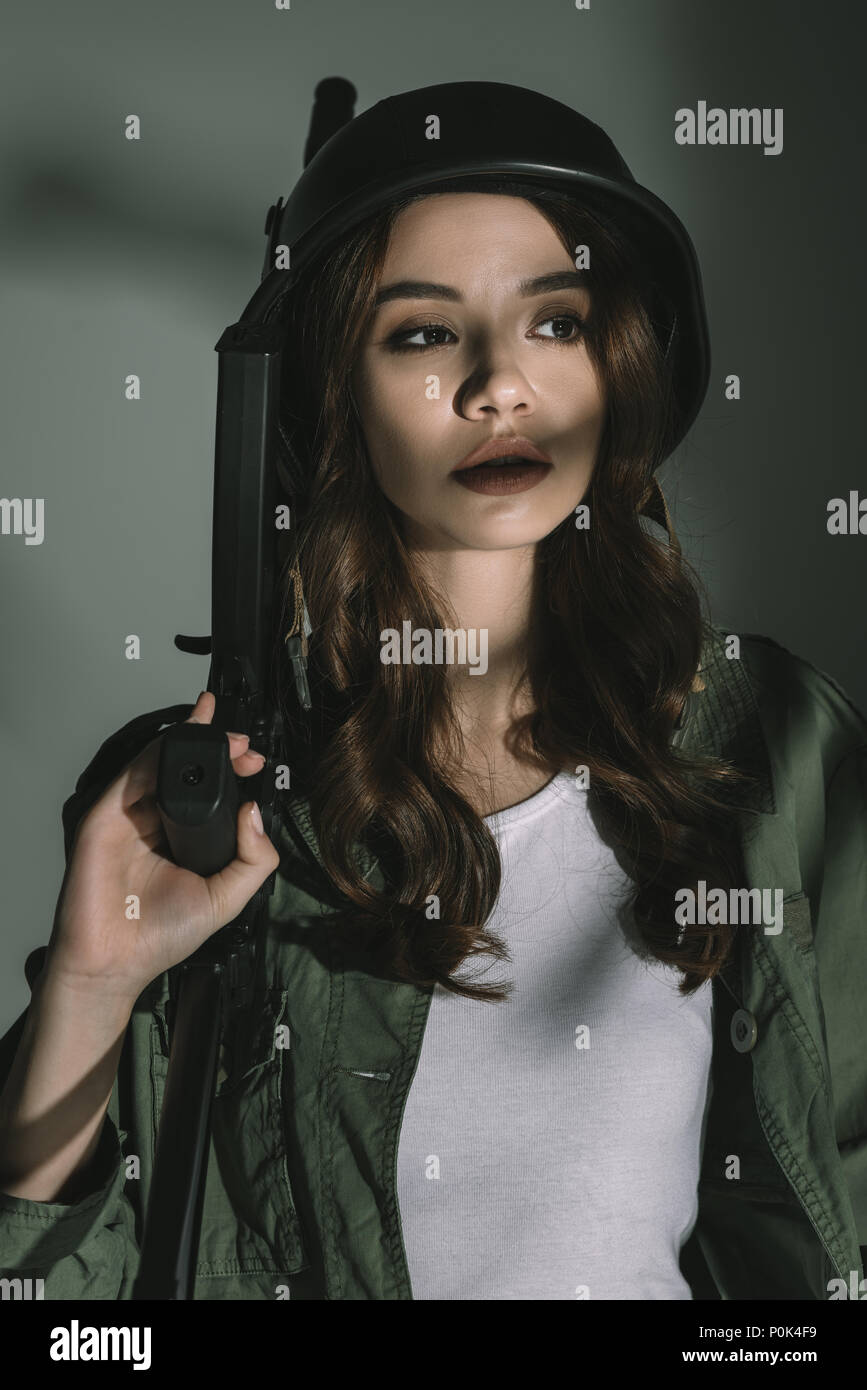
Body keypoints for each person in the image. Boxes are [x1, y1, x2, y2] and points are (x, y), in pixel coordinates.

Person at [0, 82, 865, 1302]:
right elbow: (60, 1316)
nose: (499, 385)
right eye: (421, 333)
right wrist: (91, 992)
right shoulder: (215, 799)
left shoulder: (768, 748)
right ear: (332, 397)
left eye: (554, 323)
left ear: (616, 360)